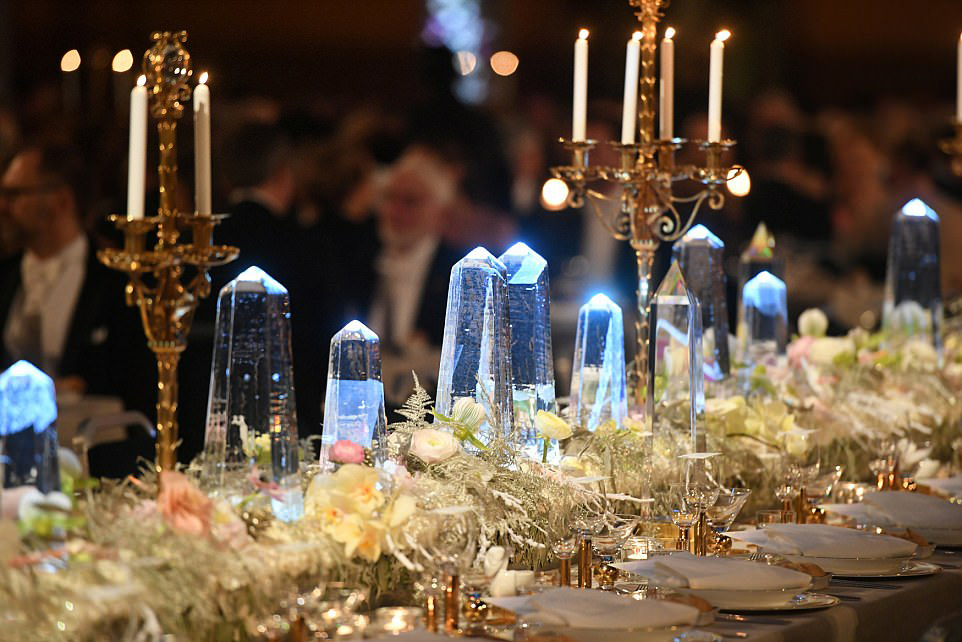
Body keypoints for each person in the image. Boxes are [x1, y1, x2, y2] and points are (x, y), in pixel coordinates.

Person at [0, 142, 153, 476]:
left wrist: (76, 387)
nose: (4, 206)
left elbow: (135, 379)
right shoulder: (5, 274)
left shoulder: (116, 281)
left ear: (60, 200)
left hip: (90, 460)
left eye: (15, 195)